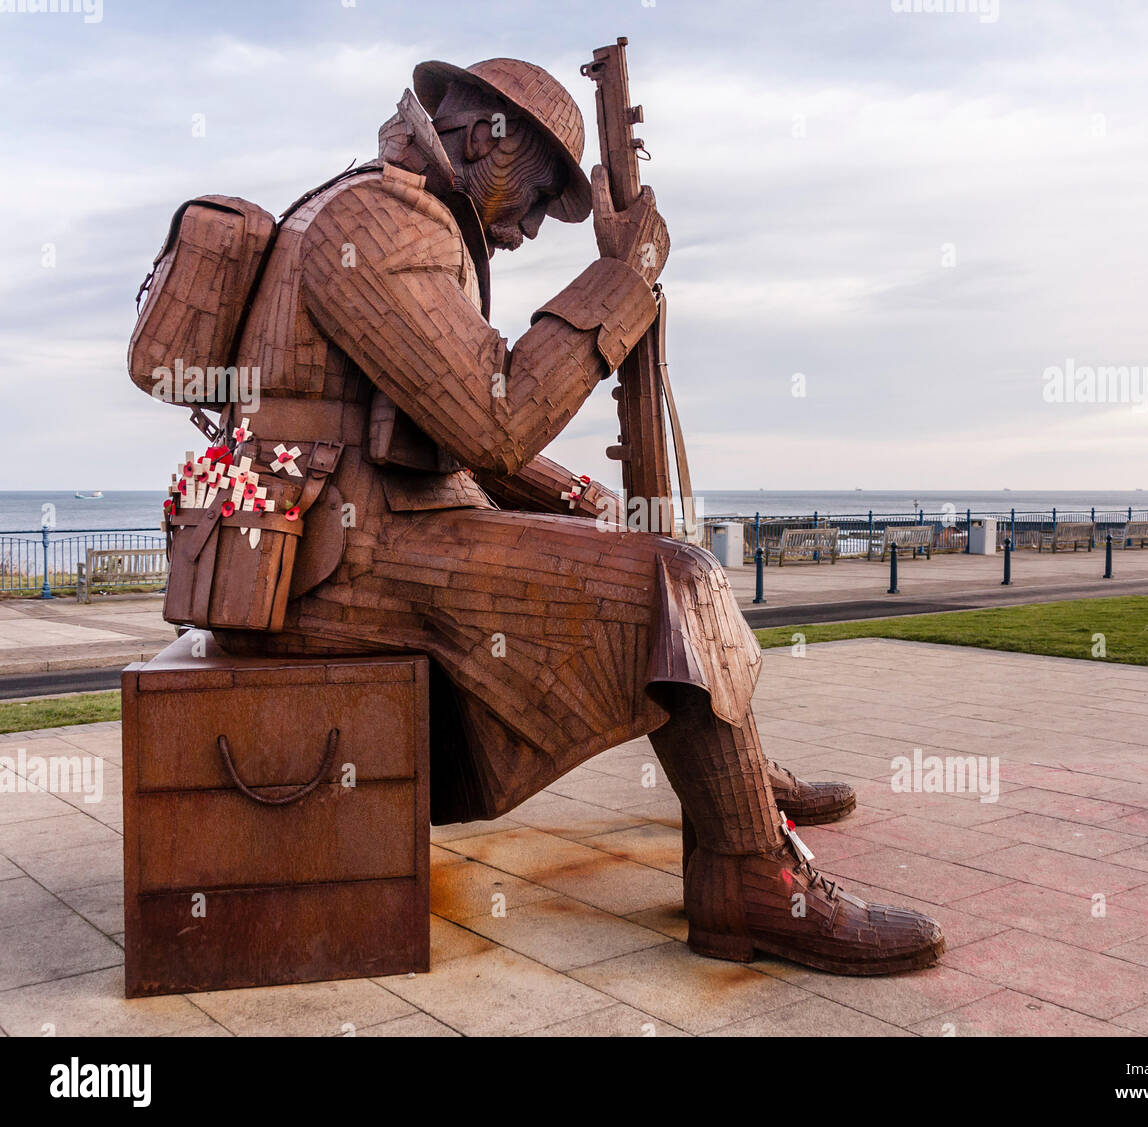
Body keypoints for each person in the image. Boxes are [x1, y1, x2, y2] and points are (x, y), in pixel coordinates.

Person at [210, 57, 944, 975]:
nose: (527, 230)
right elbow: (494, 416)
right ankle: (752, 877)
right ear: (487, 137)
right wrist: (620, 282)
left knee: (644, 554)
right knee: (673, 578)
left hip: (356, 536)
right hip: (341, 566)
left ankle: (737, 781)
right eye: (540, 194)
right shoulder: (378, 221)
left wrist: (578, 499)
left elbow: (441, 425)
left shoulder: (385, 212)